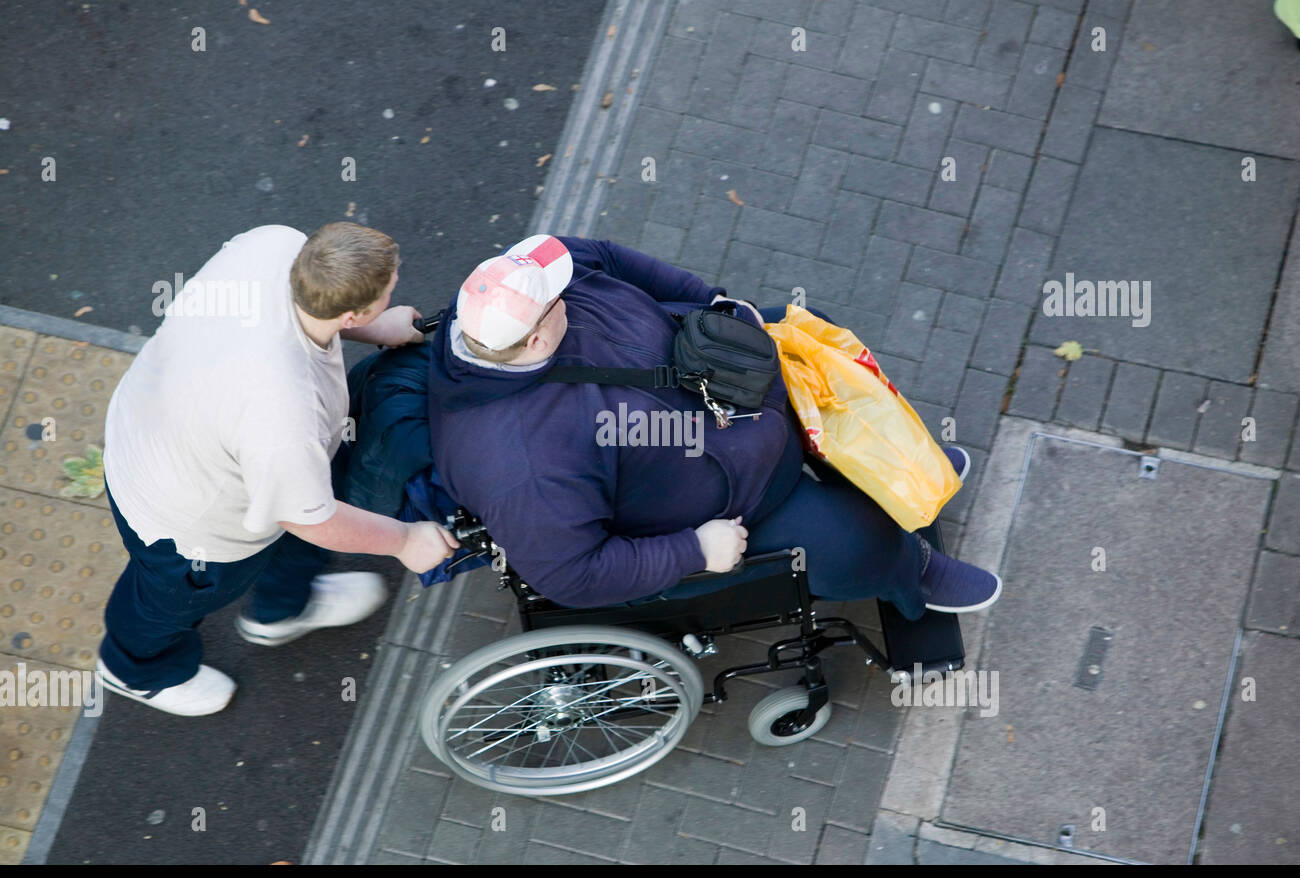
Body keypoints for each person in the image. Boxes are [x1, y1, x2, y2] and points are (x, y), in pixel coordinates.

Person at [424, 234, 1002, 616]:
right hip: (735, 501)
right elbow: (571, 575)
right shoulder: (520, 466)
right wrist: (694, 551)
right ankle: (910, 571)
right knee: (857, 545)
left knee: (816, 335)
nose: (565, 283)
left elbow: (610, 257)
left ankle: (898, 470)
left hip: (726, 384)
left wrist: (717, 303)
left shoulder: (517, 285)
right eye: (557, 297)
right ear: (533, 337)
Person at [98, 223, 459, 717]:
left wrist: (372, 329)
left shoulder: (275, 245)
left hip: (157, 415)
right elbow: (310, 519)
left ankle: (280, 609)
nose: (397, 284)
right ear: (352, 309)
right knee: (166, 599)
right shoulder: (281, 410)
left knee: (309, 494)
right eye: (390, 287)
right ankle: (134, 669)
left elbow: (304, 311)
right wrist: (406, 541)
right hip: (184, 521)